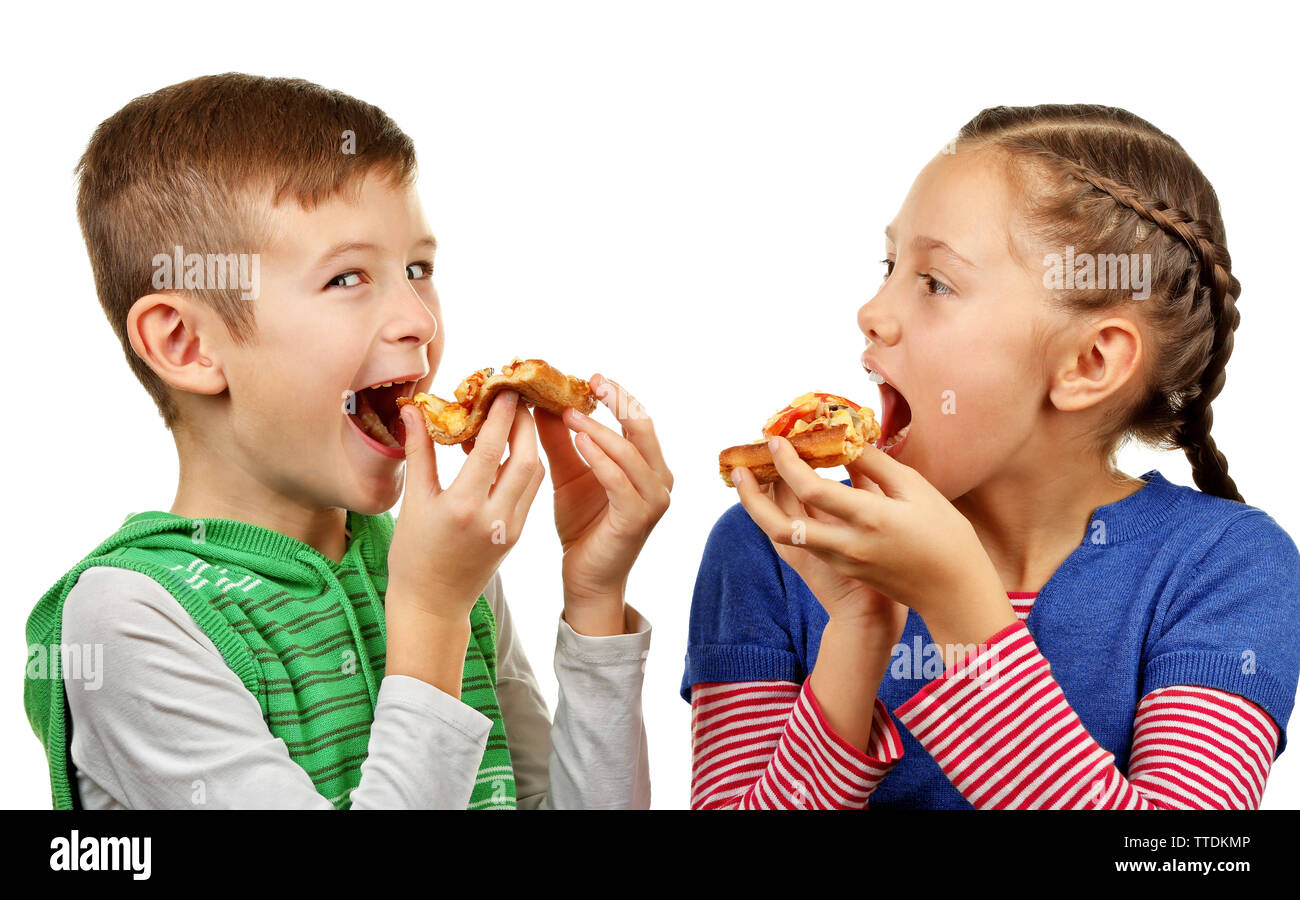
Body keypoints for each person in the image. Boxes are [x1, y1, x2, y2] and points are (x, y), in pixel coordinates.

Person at [24, 73, 672, 809]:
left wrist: (594, 597)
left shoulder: (441, 570)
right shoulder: (130, 619)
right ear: (187, 343)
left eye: (418, 270)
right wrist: (429, 616)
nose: (419, 321)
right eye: (347, 277)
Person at [682, 104, 1299, 809]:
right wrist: (856, 634)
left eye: (936, 283)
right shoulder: (779, 550)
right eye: (890, 265)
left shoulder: (1226, 565)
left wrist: (957, 606)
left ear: (1088, 362)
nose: (872, 311)